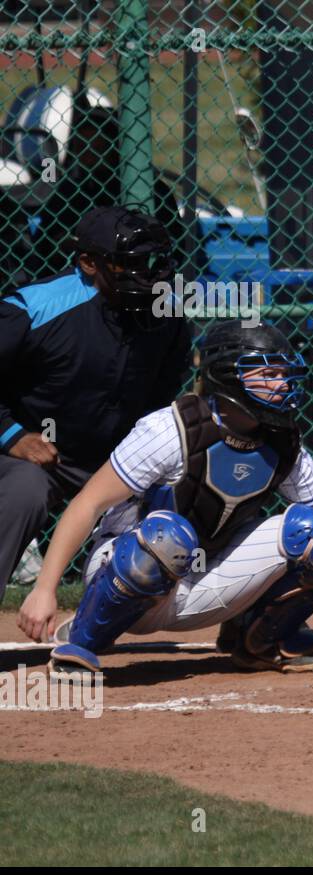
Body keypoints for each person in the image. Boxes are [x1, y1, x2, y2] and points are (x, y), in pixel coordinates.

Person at [17, 320, 313, 678]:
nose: (283, 384)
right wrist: (44, 589)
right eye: (269, 374)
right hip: (134, 575)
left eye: (284, 374)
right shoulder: (170, 429)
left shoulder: (283, 441)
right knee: (168, 537)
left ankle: (258, 640)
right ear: (227, 375)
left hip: (211, 582)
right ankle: (82, 643)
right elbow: (88, 503)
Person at [0, 207, 192, 601]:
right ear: (89, 263)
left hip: (115, 458)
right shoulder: (35, 307)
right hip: (35, 454)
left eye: (150, 261)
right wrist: (11, 433)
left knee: (201, 480)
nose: (145, 272)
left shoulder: (167, 311)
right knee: (25, 489)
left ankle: (248, 624)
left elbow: (161, 395)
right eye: (128, 263)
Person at [24, 101, 183, 282]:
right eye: (81, 144)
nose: (87, 152)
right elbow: (45, 244)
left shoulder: (152, 190)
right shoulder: (69, 191)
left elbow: (174, 243)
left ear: (115, 145)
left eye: (96, 145)